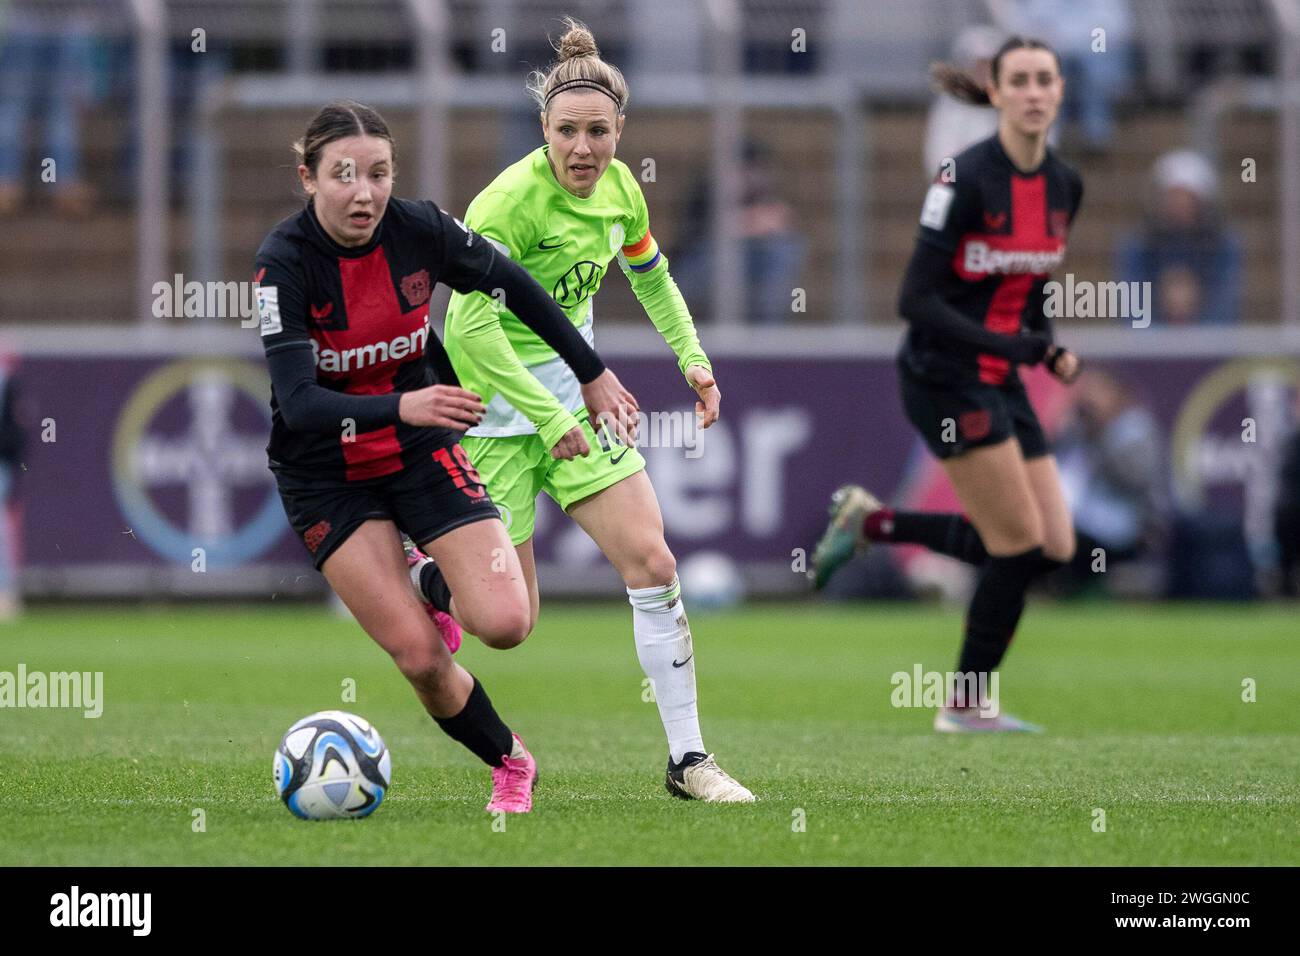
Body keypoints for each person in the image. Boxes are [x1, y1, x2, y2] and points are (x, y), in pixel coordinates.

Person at [255, 100, 637, 813]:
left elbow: (516, 286)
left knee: (505, 625)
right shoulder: (283, 263)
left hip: (418, 451)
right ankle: (510, 762)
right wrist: (405, 404)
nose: (365, 192)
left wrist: (589, 371)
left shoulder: (419, 228)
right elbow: (300, 402)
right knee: (422, 659)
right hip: (325, 474)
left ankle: (429, 581)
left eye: (380, 173)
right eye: (344, 175)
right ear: (307, 177)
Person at [410, 20, 753, 802]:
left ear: (619, 131)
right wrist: (548, 415)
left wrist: (693, 361)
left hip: (577, 414)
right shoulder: (507, 204)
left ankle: (688, 759)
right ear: (544, 130)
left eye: (598, 132)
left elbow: (653, 278)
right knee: (507, 625)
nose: (583, 149)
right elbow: (466, 323)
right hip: (492, 420)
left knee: (655, 562)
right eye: (567, 131)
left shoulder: (623, 190)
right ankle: (431, 581)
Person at [810, 37, 1084, 733]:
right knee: (1015, 547)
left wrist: (1045, 350)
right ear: (995, 93)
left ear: (1058, 92)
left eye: (1043, 80)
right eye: (1017, 80)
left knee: (1052, 546)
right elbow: (915, 300)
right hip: (942, 375)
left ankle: (870, 523)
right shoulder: (961, 178)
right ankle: (964, 705)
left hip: (1001, 375)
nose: (1031, 91)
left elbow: (1028, 287)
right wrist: (1010, 343)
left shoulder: (1064, 185)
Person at [1052, 369, 1165, 595]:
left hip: (1121, 526)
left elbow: (1134, 479)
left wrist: (1099, 437)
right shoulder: (1078, 430)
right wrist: (1063, 430)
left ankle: (1084, 590)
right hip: (1076, 520)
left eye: (1098, 393)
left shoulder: (1133, 430)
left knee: (1068, 542)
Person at [1116, 150, 1242, 326]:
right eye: (1173, 197)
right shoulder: (1139, 244)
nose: (1179, 205)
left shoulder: (1222, 245)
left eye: (1186, 198)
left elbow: (1226, 306)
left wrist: (1199, 337)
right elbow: (1132, 309)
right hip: (1148, 345)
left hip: (1211, 343)